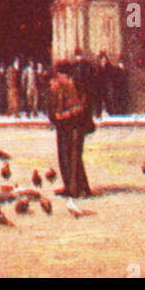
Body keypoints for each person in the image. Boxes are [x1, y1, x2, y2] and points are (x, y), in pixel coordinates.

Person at [48, 60, 93, 198]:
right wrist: (56, 116)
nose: (58, 78)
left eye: (60, 75)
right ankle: (69, 187)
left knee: (74, 158)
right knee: (64, 158)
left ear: (66, 75)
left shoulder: (77, 86)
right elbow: (53, 106)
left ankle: (81, 189)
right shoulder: (59, 87)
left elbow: (83, 106)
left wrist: (69, 114)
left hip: (76, 126)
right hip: (63, 126)